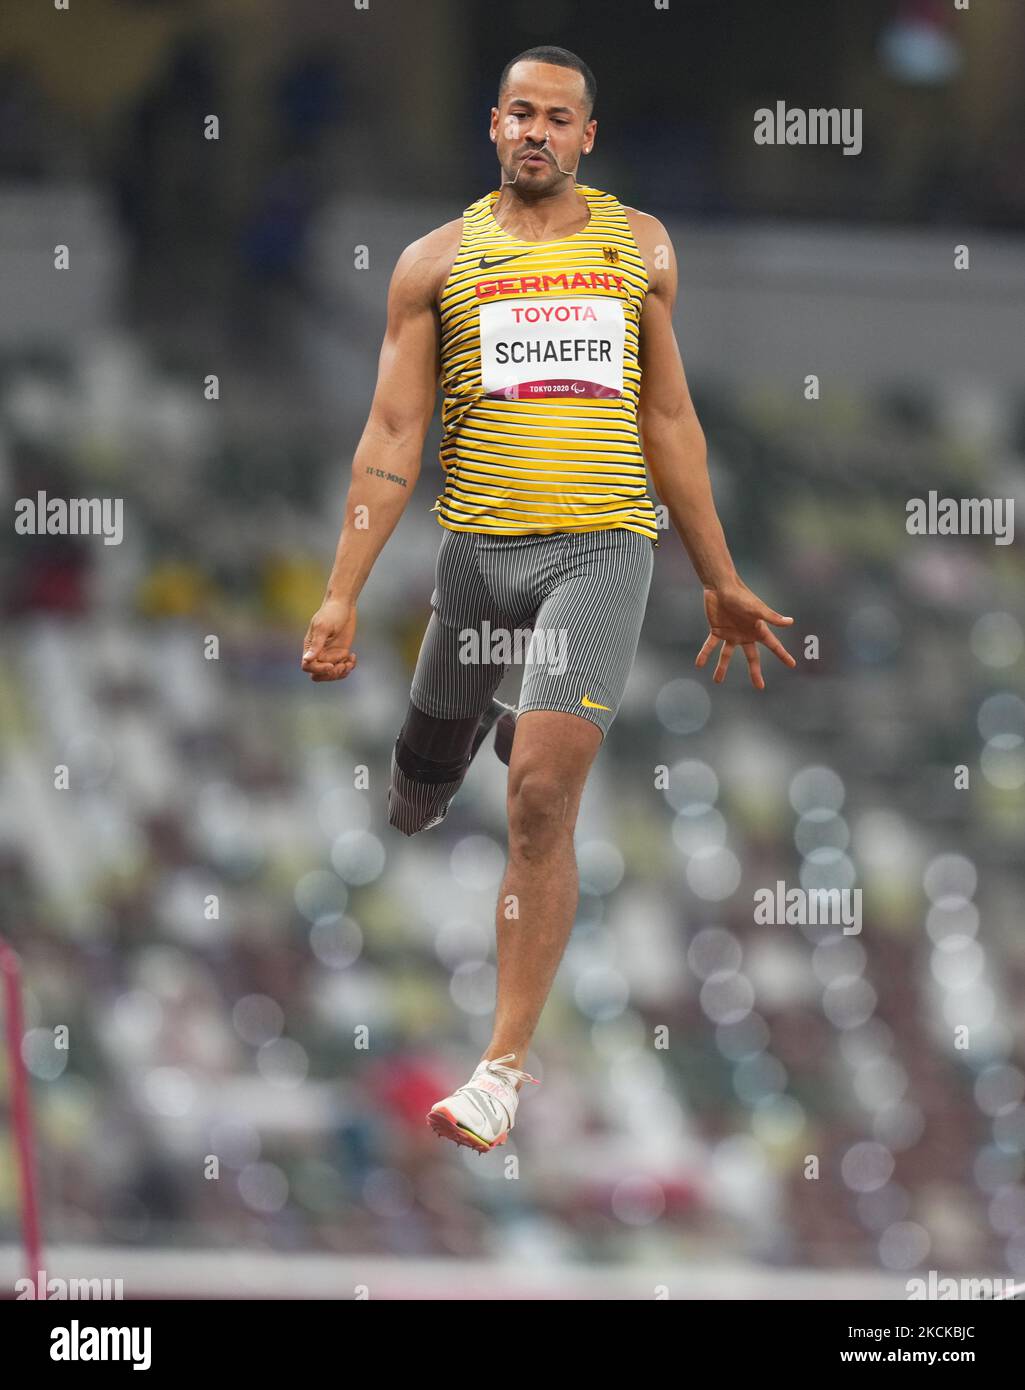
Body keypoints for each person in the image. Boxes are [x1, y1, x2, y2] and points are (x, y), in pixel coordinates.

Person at [302, 46, 796, 1154]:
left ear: (585, 136)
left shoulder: (639, 249)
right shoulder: (433, 266)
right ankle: (460, 735)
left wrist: (716, 576)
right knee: (416, 799)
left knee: (537, 799)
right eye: (518, 113)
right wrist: (341, 595)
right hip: (476, 560)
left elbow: (668, 420)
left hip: (601, 550)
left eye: (557, 118)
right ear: (492, 127)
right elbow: (391, 436)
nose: (536, 131)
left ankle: (499, 1067)